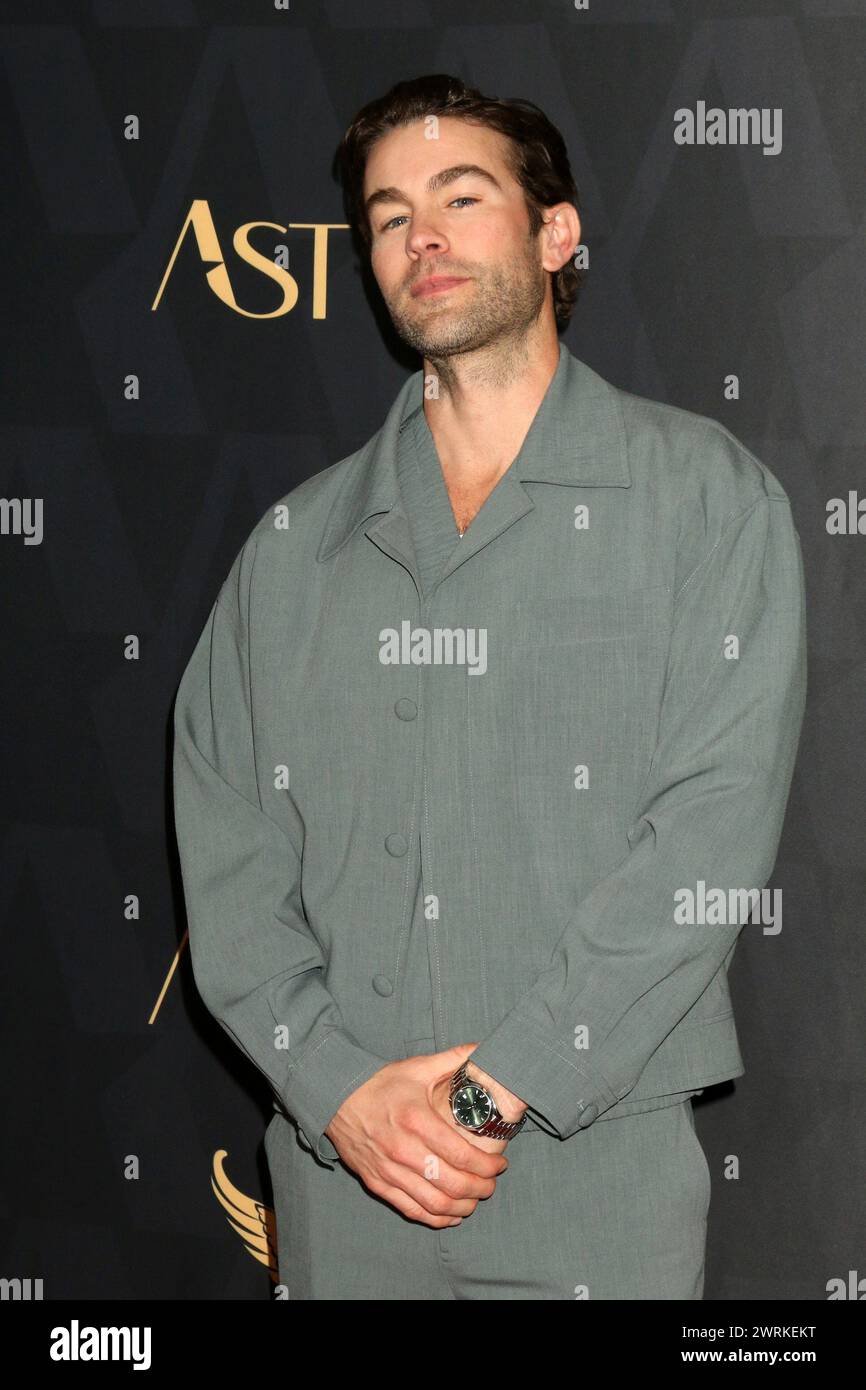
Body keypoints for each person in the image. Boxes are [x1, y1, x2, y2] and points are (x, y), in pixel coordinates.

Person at [172, 73, 807, 1299]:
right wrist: (337, 1090)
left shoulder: (703, 501)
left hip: (594, 1169)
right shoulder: (293, 549)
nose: (423, 236)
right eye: (389, 212)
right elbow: (227, 847)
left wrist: (489, 1086)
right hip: (344, 1180)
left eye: (462, 197)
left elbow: (708, 838)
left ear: (554, 232)